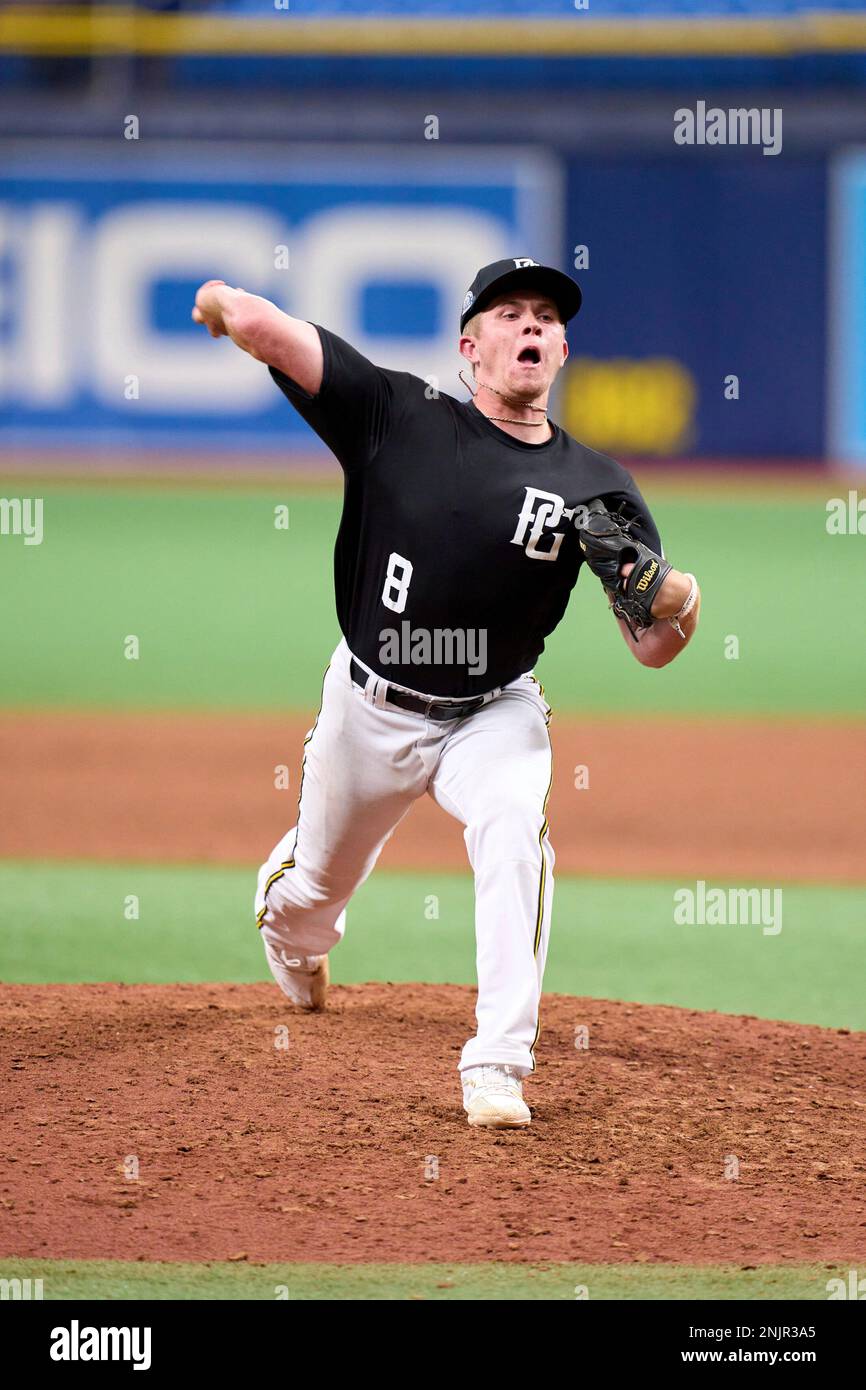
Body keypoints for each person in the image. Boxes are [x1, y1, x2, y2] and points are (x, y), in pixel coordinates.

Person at [192, 257, 701, 1128]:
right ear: (471, 347)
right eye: (510, 314)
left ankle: (497, 1063)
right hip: (369, 705)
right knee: (308, 903)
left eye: (546, 316)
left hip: (494, 710)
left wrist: (680, 597)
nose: (531, 326)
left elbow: (654, 647)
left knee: (514, 831)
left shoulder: (598, 486)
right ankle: (292, 936)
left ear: (564, 348)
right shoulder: (397, 415)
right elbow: (279, 337)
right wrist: (227, 305)